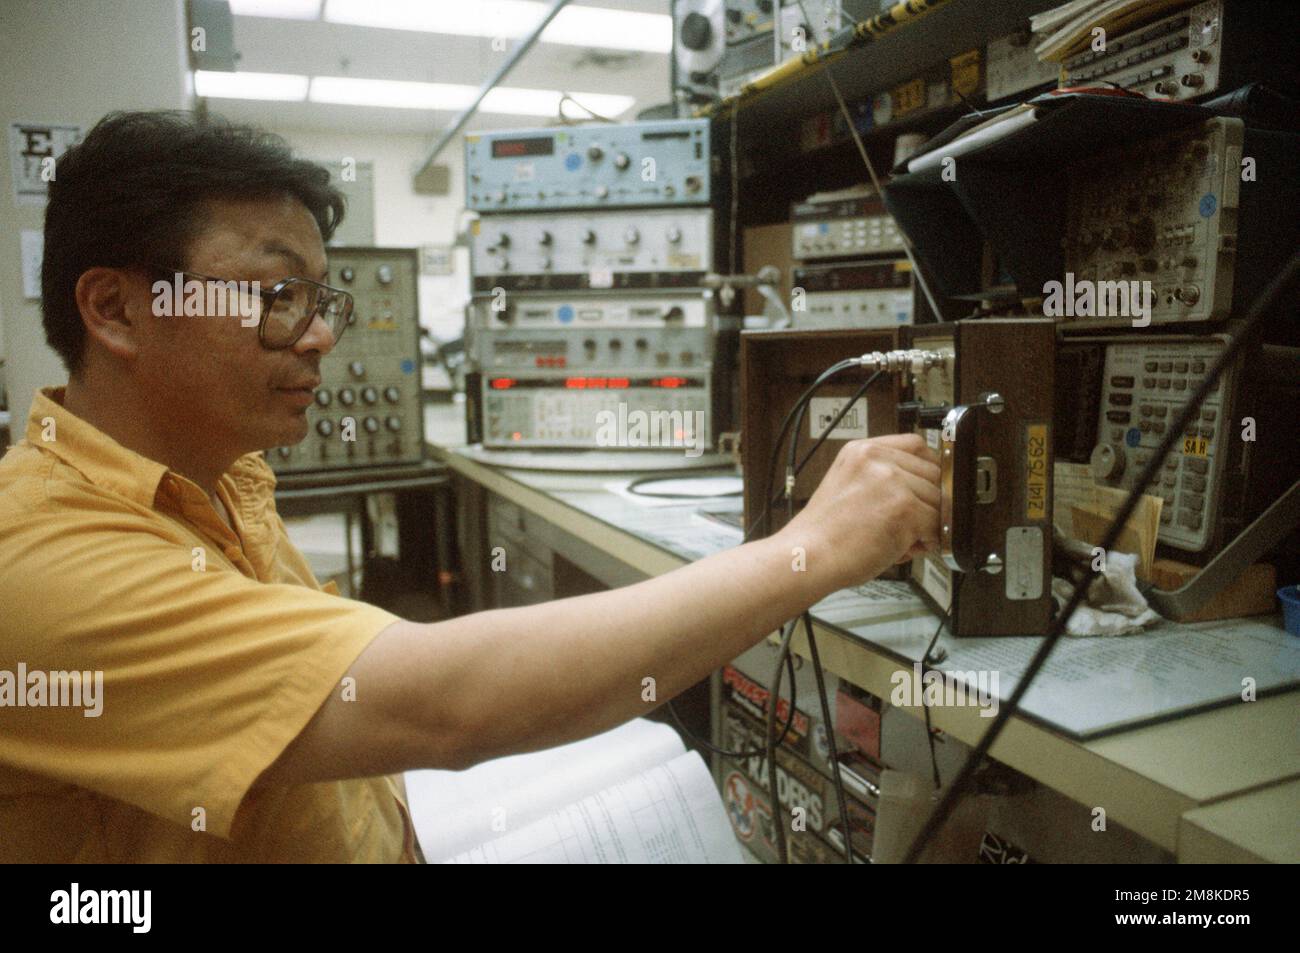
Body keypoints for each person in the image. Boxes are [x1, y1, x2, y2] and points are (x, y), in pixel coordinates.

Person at [0, 111, 941, 862]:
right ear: (116, 309)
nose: (321, 335)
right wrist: (811, 547)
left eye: (320, 298)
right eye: (276, 294)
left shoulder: (220, 475)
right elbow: (443, 704)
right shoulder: (41, 567)